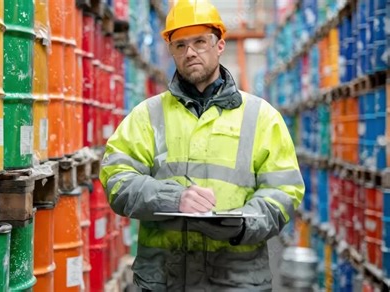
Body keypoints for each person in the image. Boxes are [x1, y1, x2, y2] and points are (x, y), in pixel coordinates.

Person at [100, 0, 305, 291]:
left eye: (200, 41)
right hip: (166, 279)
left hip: (235, 280)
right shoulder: (147, 115)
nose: (190, 52)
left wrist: (245, 224)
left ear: (220, 45)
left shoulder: (261, 117)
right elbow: (117, 179)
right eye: (180, 45)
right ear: (170, 50)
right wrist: (171, 198)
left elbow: (285, 190)